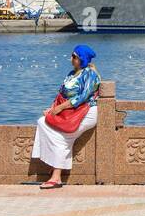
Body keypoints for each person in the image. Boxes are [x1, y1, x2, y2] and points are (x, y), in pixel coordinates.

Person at [33, 44, 100, 189]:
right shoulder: (71, 73)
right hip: (70, 112)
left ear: (81, 58)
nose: (71, 59)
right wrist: (52, 109)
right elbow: (60, 94)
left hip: (86, 112)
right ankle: (54, 164)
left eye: (74, 57)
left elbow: (83, 97)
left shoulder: (90, 74)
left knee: (61, 138)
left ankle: (56, 177)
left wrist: (60, 108)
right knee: (42, 122)